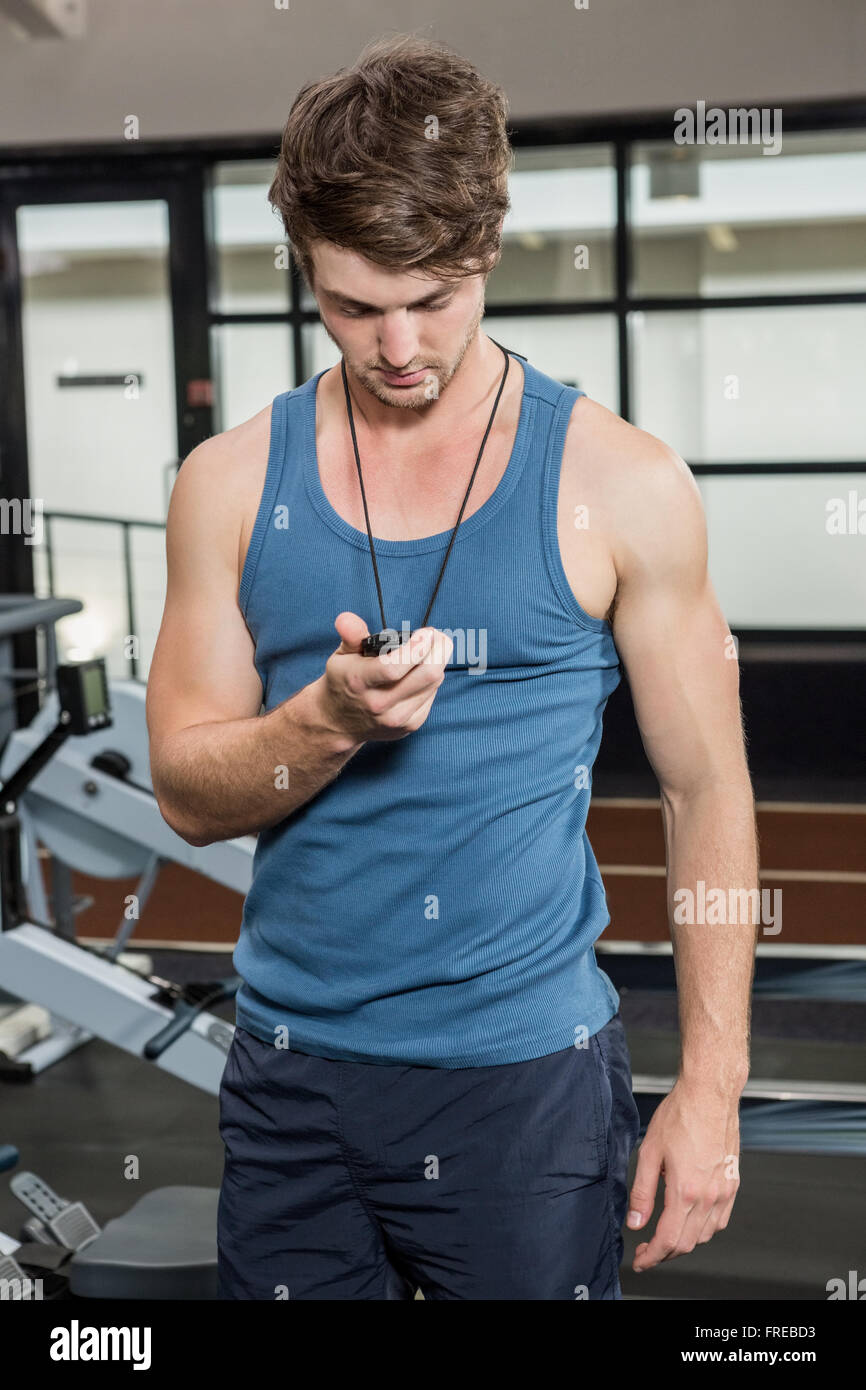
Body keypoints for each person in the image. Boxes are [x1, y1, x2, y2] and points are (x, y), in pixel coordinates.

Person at [146, 33, 757, 1300]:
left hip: (521, 1088)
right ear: (305, 271)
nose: (399, 346)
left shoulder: (621, 484)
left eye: (433, 297)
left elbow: (706, 792)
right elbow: (186, 796)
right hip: (288, 1079)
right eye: (355, 307)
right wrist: (319, 722)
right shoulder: (226, 486)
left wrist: (708, 1089)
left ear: (486, 248)